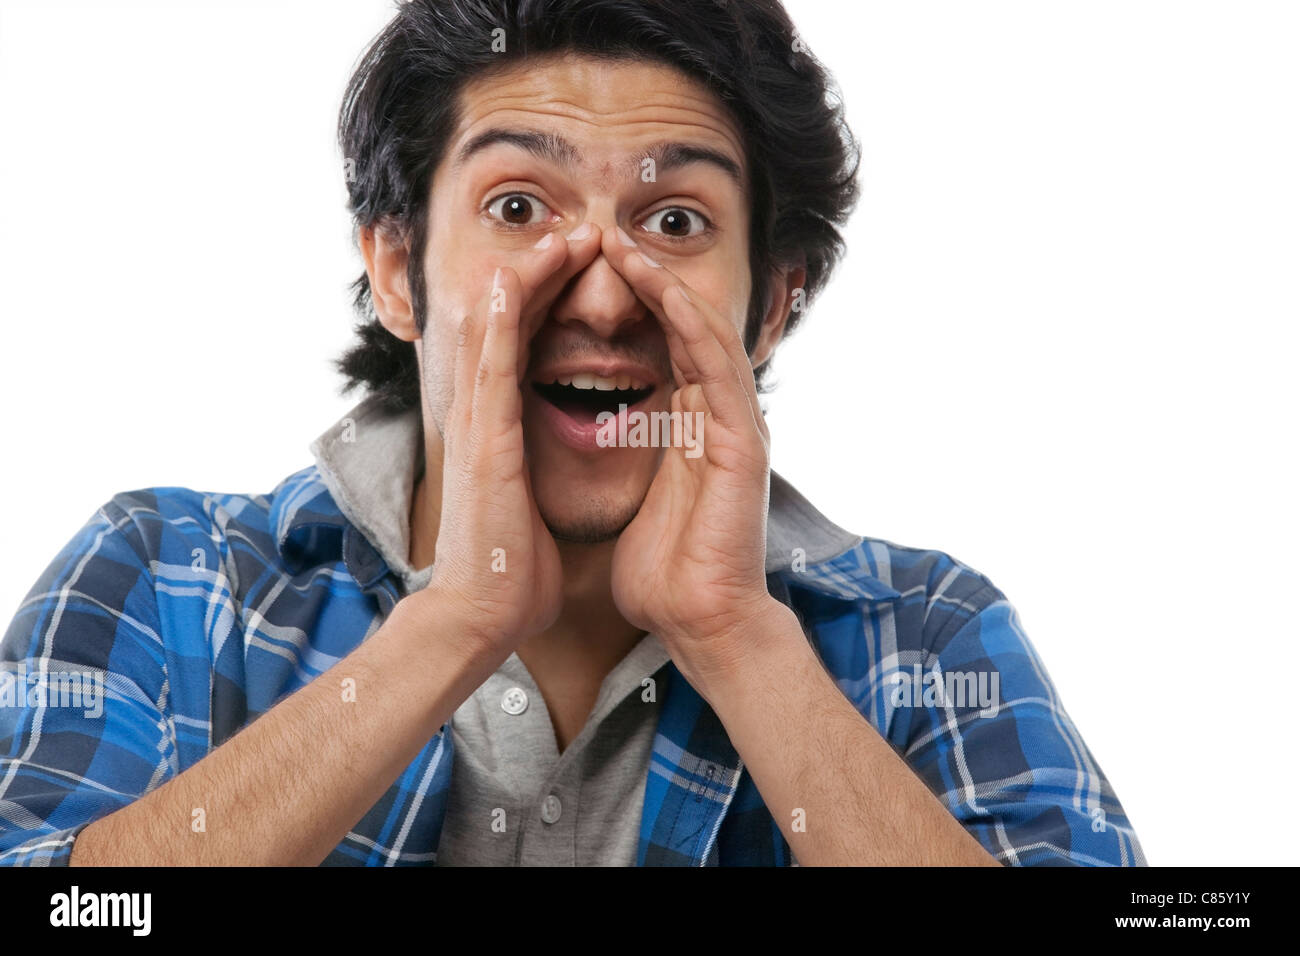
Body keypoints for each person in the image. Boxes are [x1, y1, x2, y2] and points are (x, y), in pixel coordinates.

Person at [0, 0, 1144, 866]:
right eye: (517, 208)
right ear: (399, 270)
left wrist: (737, 637)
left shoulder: (927, 640)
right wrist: (450, 621)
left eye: (674, 219)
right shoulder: (169, 574)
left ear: (772, 299)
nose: (601, 297)